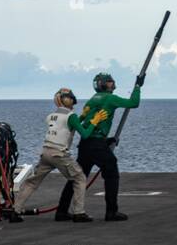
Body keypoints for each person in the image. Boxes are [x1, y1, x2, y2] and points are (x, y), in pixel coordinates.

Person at [54, 72, 140, 222]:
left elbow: (88, 122)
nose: (112, 83)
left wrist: (106, 141)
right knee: (111, 172)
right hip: (96, 144)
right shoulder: (110, 98)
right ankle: (111, 212)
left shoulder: (93, 99)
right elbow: (133, 103)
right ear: (103, 84)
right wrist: (138, 86)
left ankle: (61, 211)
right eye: (109, 82)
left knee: (77, 177)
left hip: (86, 144)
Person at [15, 87, 108, 221]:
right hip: (59, 154)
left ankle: (15, 210)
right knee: (79, 178)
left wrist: (82, 116)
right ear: (67, 100)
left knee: (32, 182)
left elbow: (67, 124)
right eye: (71, 98)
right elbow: (85, 134)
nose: (73, 100)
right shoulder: (71, 116)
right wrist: (94, 121)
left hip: (45, 153)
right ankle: (79, 213)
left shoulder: (51, 116)